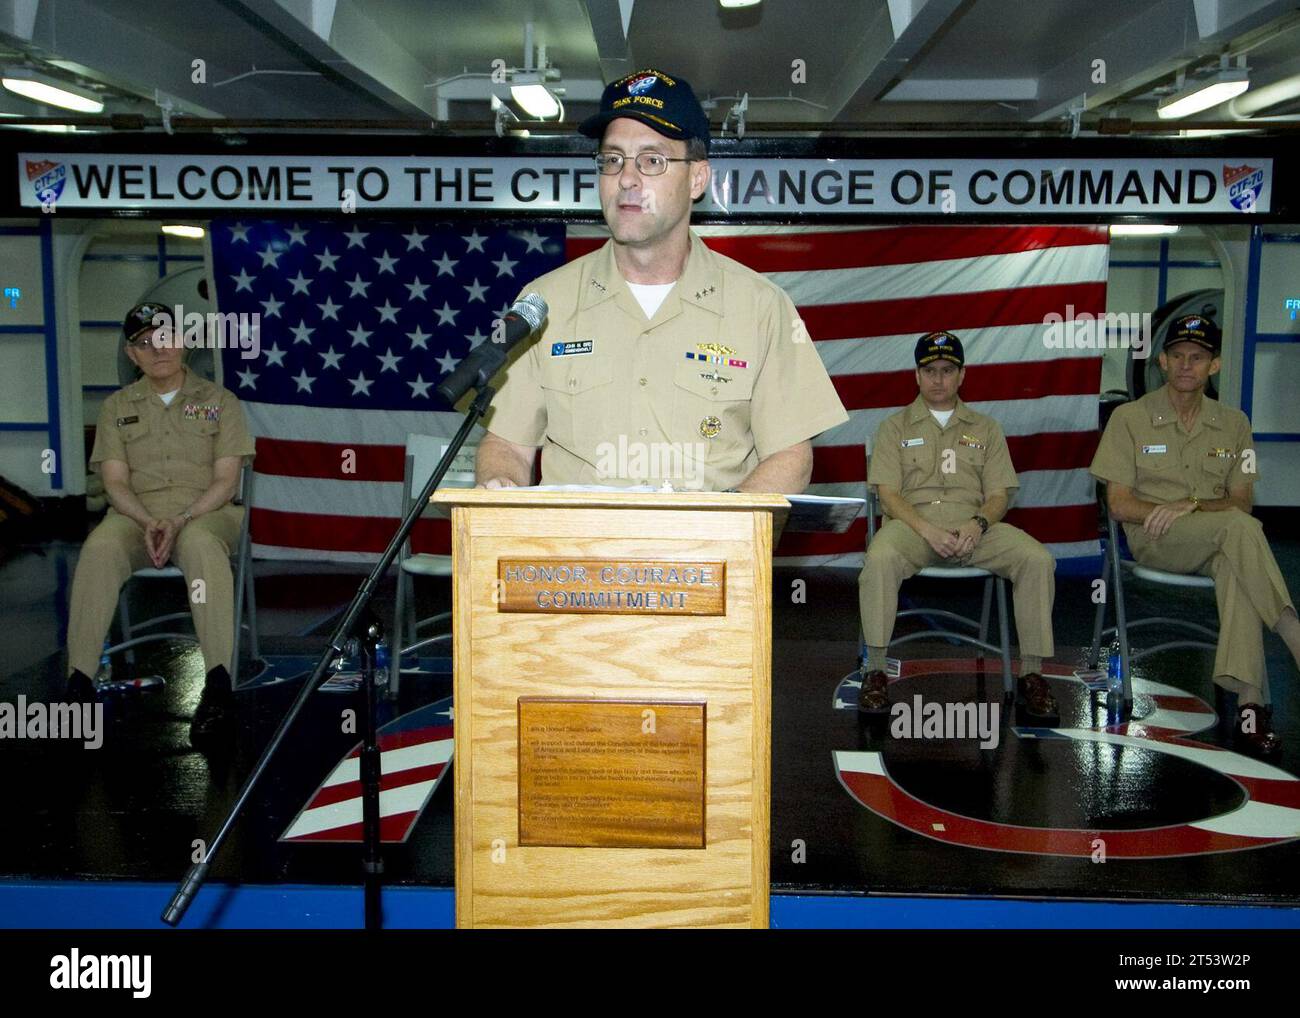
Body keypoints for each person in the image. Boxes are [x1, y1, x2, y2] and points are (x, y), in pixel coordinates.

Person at [475, 67, 847, 493]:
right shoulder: (543, 303)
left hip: (706, 557)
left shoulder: (760, 307)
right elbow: (507, 442)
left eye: (652, 160)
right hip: (576, 555)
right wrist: (499, 482)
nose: (627, 179)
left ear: (697, 179)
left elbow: (790, 456)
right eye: (612, 160)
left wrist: (721, 538)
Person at [1090, 314, 1299, 756]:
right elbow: (1118, 505)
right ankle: (1292, 630)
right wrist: (1164, 510)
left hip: (1218, 538)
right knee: (1240, 533)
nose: (1187, 365)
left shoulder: (1235, 424)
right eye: (1179, 356)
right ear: (1163, 362)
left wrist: (1195, 504)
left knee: (1236, 565)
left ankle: (1251, 708)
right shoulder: (1129, 418)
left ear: (1214, 366)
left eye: (1199, 358)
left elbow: (1242, 500)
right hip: (1155, 537)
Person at [63, 302, 256, 752]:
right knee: (99, 548)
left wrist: (182, 519)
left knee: (204, 547)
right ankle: (78, 685)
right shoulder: (116, 407)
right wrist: (150, 521)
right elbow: (114, 482)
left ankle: (218, 686)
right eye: (144, 343)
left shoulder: (219, 402)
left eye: (166, 337)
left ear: (185, 340)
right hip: (137, 517)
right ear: (132, 356)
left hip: (206, 513)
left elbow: (227, 481)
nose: (158, 349)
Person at [858, 331, 1058, 718]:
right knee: (879, 558)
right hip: (913, 527)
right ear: (916, 375)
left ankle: (1032, 674)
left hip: (974, 528)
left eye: (947, 370)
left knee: (1037, 559)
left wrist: (978, 523)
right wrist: (927, 529)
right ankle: (876, 669)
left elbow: (1000, 494)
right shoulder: (893, 427)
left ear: (962, 375)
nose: (938, 379)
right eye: (929, 370)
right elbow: (889, 495)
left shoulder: (986, 428)